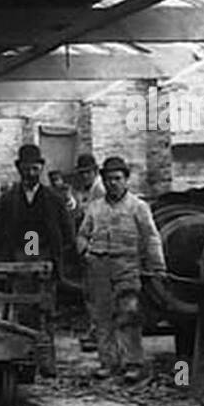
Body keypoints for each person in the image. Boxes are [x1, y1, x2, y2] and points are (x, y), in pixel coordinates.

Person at [76, 156, 167, 382]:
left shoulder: (138, 207)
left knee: (129, 314)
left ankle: (133, 364)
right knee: (102, 317)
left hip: (127, 266)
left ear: (126, 180)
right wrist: (84, 253)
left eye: (117, 178)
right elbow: (82, 234)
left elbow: (151, 238)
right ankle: (108, 363)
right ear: (103, 181)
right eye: (108, 179)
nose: (112, 183)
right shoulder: (95, 207)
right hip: (99, 267)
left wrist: (157, 266)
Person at [0, 144, 73, 376]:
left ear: (42, 168)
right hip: (19, 262)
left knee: (46, 312)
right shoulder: (9, 200)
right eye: (26, 169)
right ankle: (24, 362)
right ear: (19, 169)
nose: (31, 173)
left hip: (45, 262)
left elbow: (67, 233)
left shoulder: (53, 200)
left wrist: (54, 256)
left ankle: (47, 362)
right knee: (22, 311)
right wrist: (4, 262)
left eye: (35, 169)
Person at [70, 153, 106, 353]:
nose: (85, 176)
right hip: (90, 244)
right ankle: (96, 331)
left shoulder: (99, 190)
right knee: (91, 293)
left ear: (95, 171)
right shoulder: (91, 190)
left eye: (87, 173)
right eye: (82, 173)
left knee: (96, 293)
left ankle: (98, 334)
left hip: (97, 248)